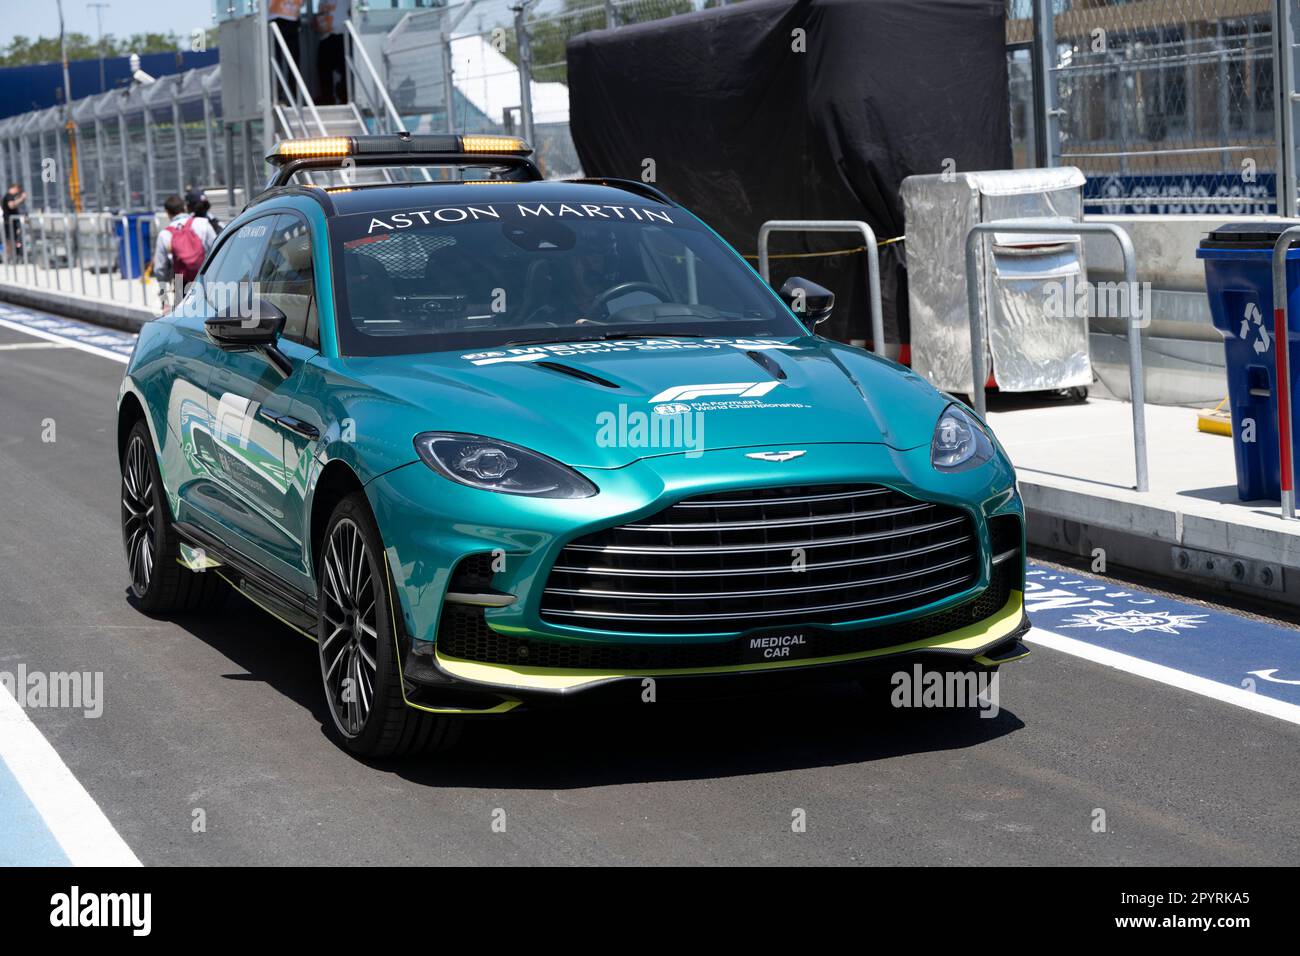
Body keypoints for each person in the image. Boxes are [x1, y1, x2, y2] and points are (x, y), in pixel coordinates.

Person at [153, 194, 216, 311]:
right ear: (185, 208)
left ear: (167, 212)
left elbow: (160, 270)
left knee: (184, 320)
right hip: (207, 282)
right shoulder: (203, 224)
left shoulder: (165, 235)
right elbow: (217, 251)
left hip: (180, 284)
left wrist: (164, 300)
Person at [315, 0, 350, 105]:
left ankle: (345, 97)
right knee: (323, 68)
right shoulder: (323, 1)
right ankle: (327, 99)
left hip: (343, 36)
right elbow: (320, 19)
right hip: (326, 36)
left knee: (346, 69)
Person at [268, 0, 303, 91]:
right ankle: (278, 94)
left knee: (293, 60)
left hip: (293, 20)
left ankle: (294, 93)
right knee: (276, 59)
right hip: (276, 19)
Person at [2, 183, 26, 263]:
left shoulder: (9, 196)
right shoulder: (9, 196)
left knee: (15, 240)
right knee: (10, 240)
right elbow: (11, 205)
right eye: (18, 189)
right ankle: (10, 258)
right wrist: (21, 198)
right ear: (15, 188)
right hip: (9, 223)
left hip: (12, 223)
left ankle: (12, 257)